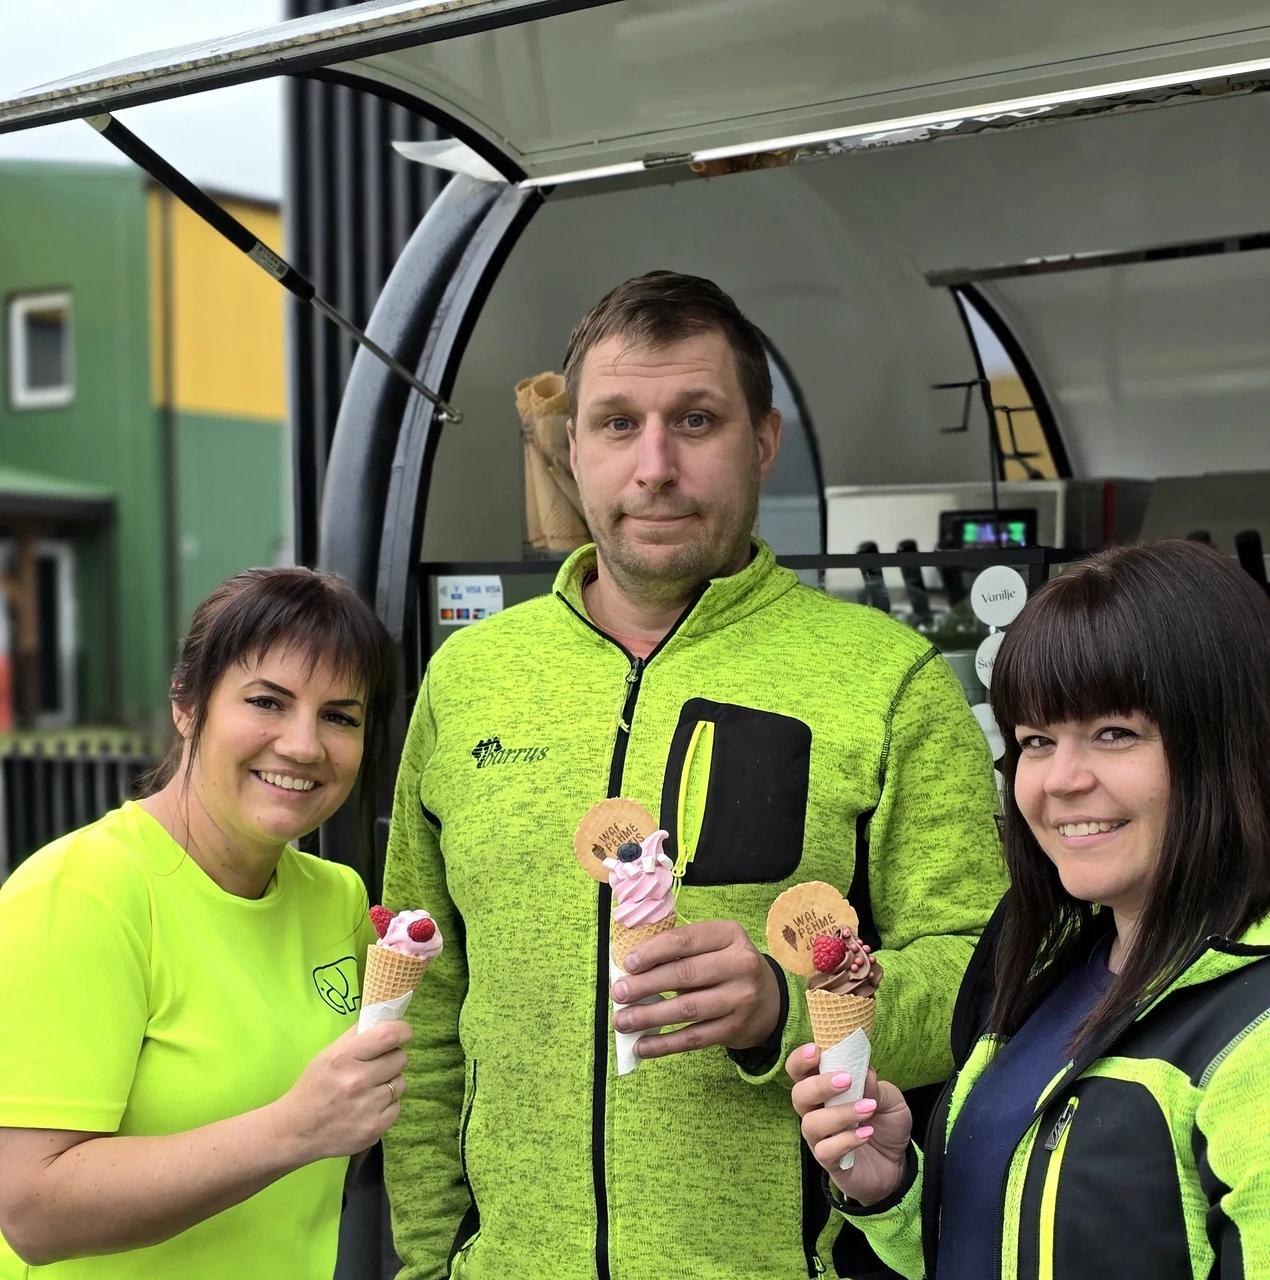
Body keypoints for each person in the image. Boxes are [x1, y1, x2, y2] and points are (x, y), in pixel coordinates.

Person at [382, 270, 1006, 1279]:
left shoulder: (880, 679)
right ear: (570, 448)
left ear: (761, 441)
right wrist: (428, 1260)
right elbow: (425, 995)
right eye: (618, 422)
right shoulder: (469, 678)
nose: (655, 464)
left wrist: (785, 1000)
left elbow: (980, 978)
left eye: (697, 419)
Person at [791, 540, 1270, 1279]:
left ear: (1229, 740)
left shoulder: (1254, 1035)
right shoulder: (1040, 962)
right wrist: (895, 1191)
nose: (1061, 780)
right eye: (1037, 741)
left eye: (1115, 733)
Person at [0, 567, 409, 1279]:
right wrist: (292, 1131)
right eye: (266, 702)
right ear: (187, 705)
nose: (305, 745)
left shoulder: (337, 899)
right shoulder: (81, 894)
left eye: (341, 716)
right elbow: (31, 1210)